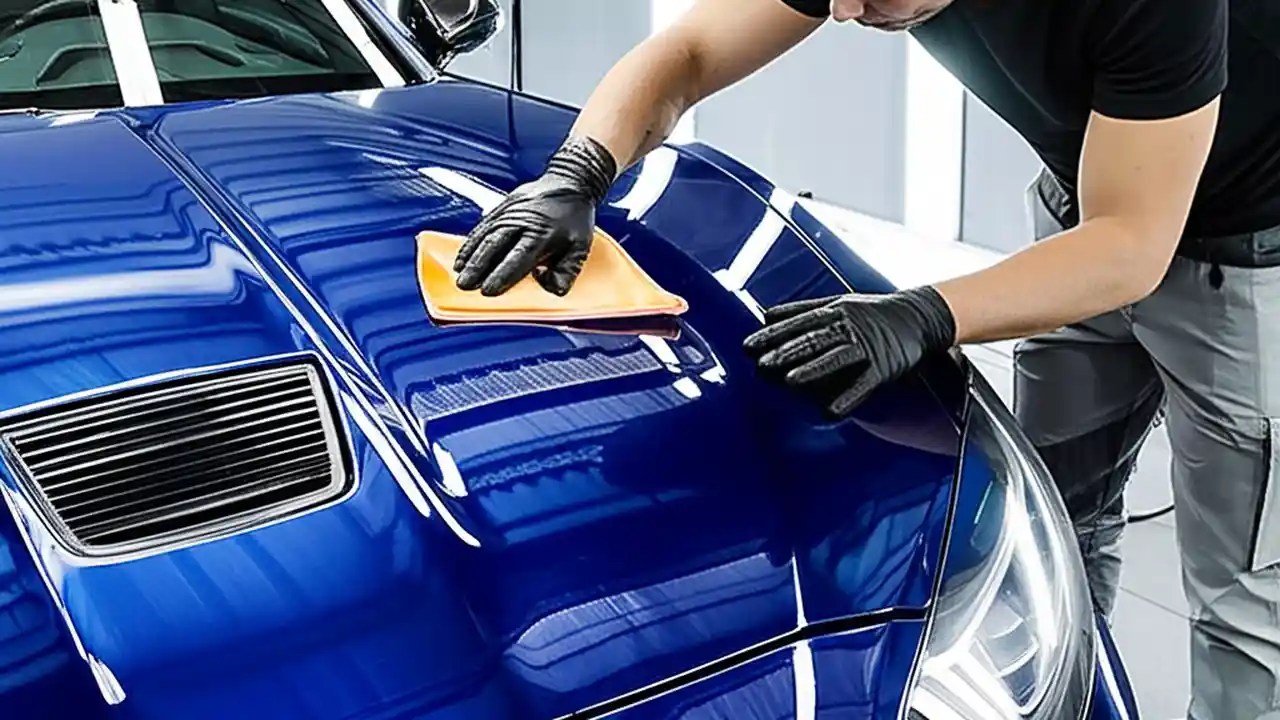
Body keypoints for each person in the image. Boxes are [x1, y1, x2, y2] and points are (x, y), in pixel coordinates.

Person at [450, 1, 1280, 717]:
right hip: (1088, 204)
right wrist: (578, 169)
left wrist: (924, 315)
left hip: (1246, 253)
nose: (842, 12)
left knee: (1244, 594)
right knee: (1061, 511)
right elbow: (692, 51)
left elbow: (1132, 246)